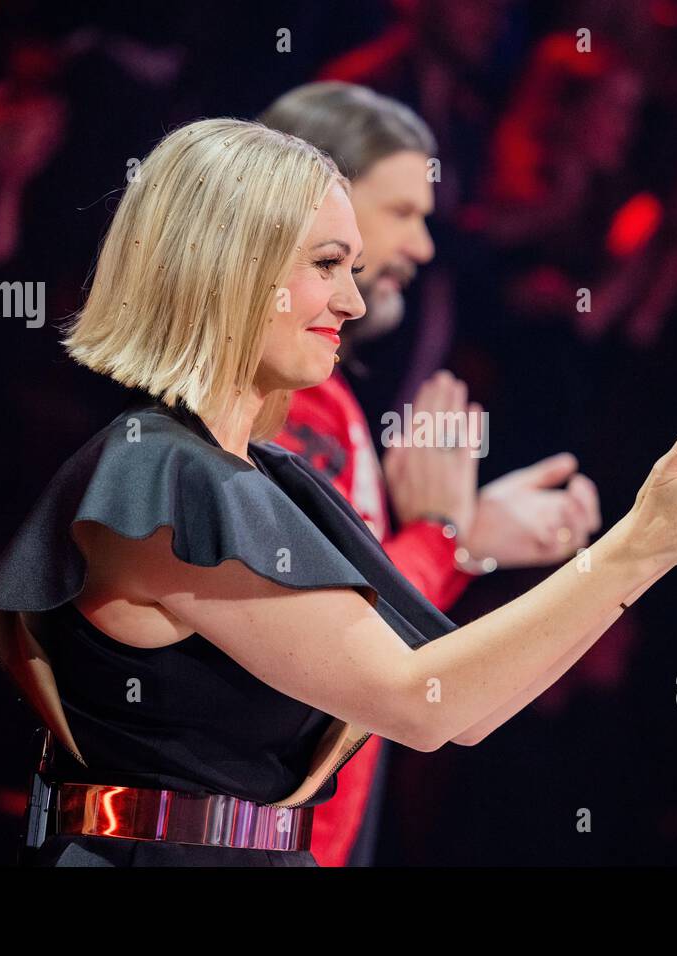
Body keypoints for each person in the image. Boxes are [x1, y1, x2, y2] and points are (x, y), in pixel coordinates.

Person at [0, 116, 677, 867]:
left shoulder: (268, 477)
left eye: (354, 265)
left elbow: (463, 705)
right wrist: (639, 544)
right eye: (328, 264)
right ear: (228, 267)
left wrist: (645, 553)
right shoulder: (163, 475)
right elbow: (424, 703)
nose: (350, 296)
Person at [259, 80, 615, 866]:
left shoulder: (326, 398)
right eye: (403, 215)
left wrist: (472, 534)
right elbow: (337, 648)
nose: (424, 247)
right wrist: (446, 539)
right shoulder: (284, 404)